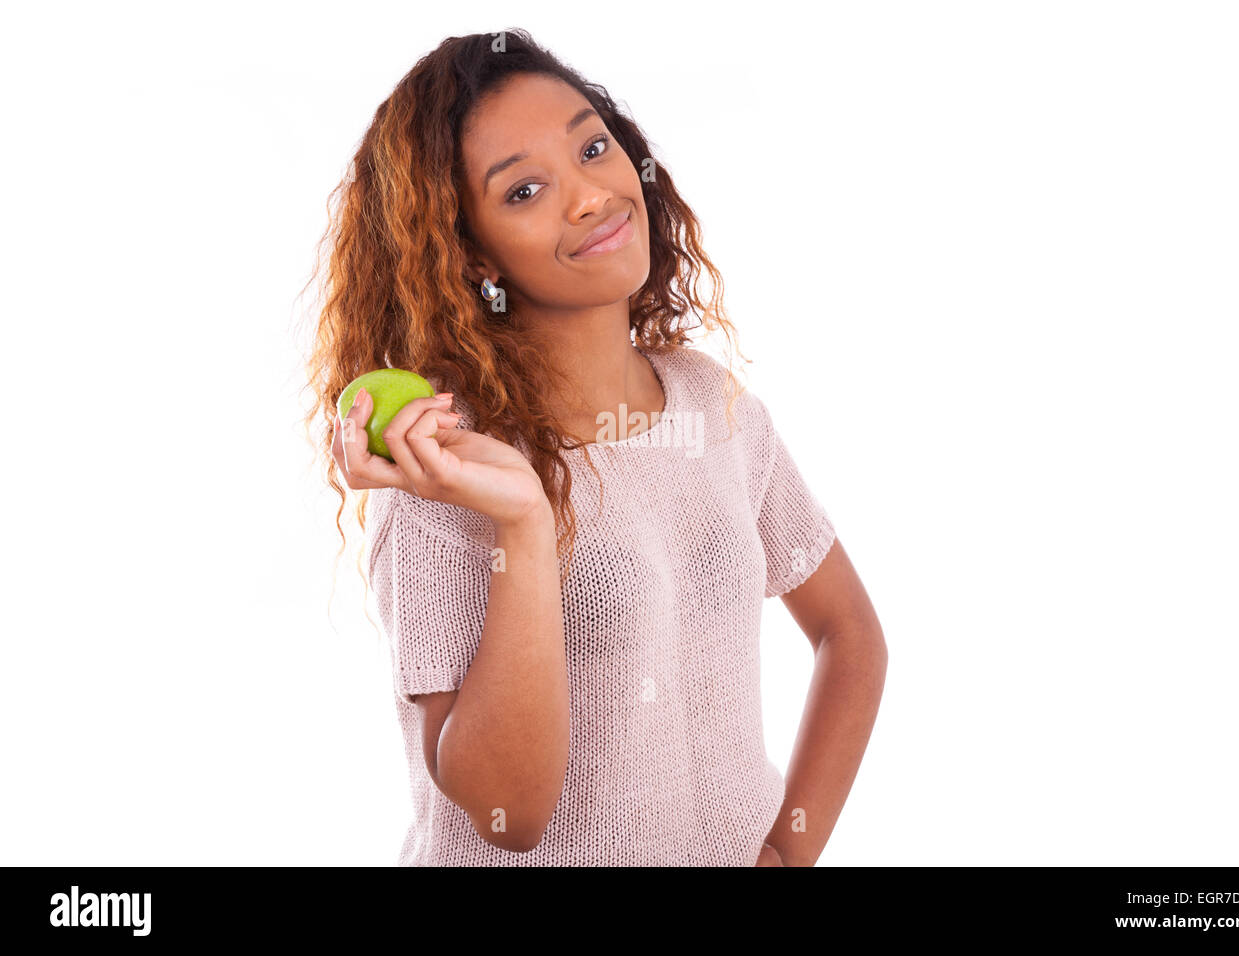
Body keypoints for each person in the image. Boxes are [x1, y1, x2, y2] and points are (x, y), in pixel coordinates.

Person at [304, 28, 888, 866]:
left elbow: (850, 633)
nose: (589, 195)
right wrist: (525, 524)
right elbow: (510, 815)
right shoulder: (447, 475)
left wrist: (789, 852)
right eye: (526, 190)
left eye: (592, 145)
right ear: (472, 258)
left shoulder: (713, 407)